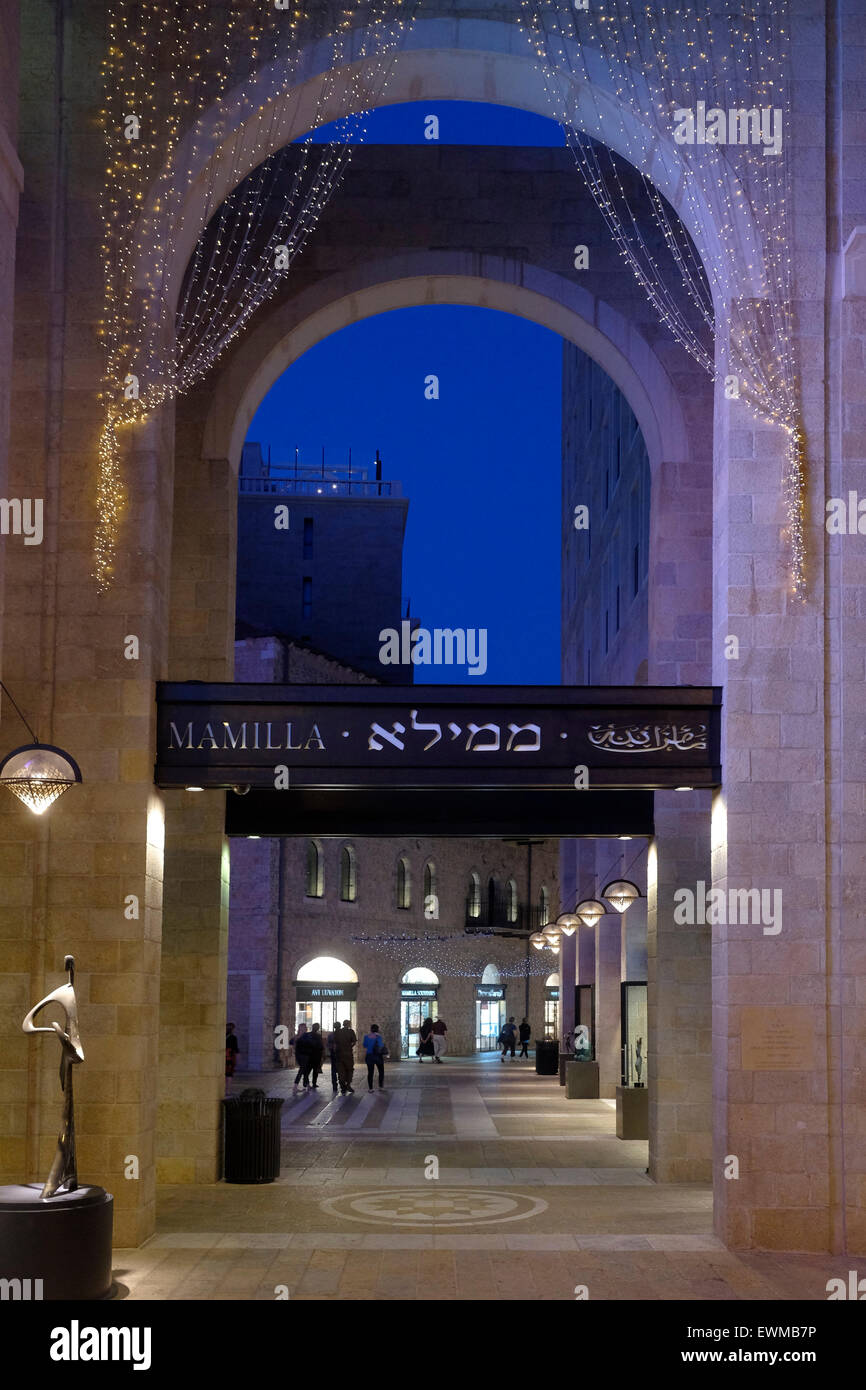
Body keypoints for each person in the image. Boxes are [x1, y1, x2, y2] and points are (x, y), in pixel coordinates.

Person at [297, 1021, 324, 1091]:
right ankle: (313, 1083)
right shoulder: (318, 1036)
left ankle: (305, 1082)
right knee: (315, 1071)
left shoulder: (307, 1035)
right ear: (318, 1028)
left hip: (309, 1055)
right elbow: (321, 1046)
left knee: (307, 1070)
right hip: (316, 1056)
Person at [334, 1018, 357, 1094]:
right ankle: (348, 1085)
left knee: (341, 1071)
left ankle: (343, 1087)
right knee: (349, 1070)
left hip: (339, 1054)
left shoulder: (338, 1032)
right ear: (349, 1024)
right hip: (348, 1054)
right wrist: (349, 1046)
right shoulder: (351, 1031)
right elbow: (354, 1042)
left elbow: (334, 1043)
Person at [363, 1024, 387, 1091]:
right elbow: (381, 1045)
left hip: (369, 1056)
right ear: (377, 1029)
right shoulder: (378, 1036)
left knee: (370, 1072)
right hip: (377, 1056)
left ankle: (370, 1088)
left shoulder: (366, 1036)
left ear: (371, 1029)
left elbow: (364, 1045)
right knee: (381, 1071)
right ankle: (381, 1087)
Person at [289, 1022, 307, 1094]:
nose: (306, 1028)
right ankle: (295, 1087)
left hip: (298, 1055)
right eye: (305, 1027)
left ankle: (307, 1085)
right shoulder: (304, 1037)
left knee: (304, 1070)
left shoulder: (297, 1036)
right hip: (304, 1055)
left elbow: (290, 1042)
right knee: (302, 1070)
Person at [326, 1019, 341, 1092]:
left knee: (333, 1069)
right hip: (341, 1053)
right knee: (342, 1068)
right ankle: (342, 1084)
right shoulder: (343, 1035)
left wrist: (331, 1049)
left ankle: (334, 1086)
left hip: (333, 1053)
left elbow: (328, 1045)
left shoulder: (330, 1035)